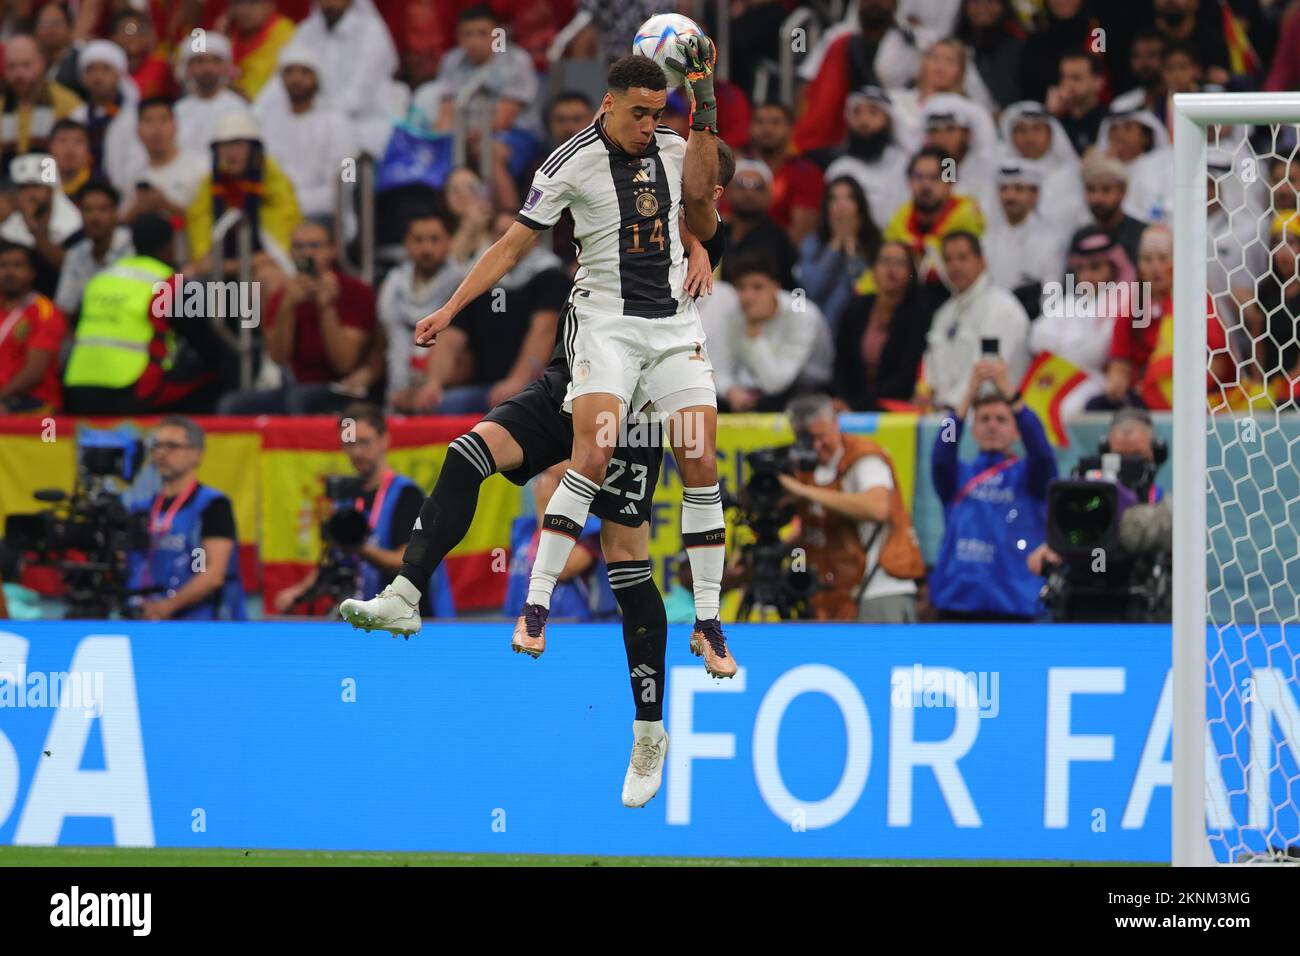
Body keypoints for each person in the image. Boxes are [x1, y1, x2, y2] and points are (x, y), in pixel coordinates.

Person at [407, 49, 735, 676]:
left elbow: (697, 203)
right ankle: (535, 606)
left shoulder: (673, 146)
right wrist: (450, 308)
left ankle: (710, 621)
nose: (649, 126)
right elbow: (510, 247)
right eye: (639, 114)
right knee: (592, 451)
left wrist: (697, 235)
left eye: (658, 114)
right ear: (608, 103)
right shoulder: (571, 162)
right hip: (606, 324)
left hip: (671, 327)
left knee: (701, 455)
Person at [273, 403, 455, 619]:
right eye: (349, 444)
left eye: (365, 442)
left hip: (408, 620)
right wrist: (299, 592)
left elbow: (408, 562)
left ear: (384, 439)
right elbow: (333, 560)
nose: (357, 452)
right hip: (365, 619)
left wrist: (360, 548)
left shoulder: (407, 495)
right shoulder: (346, 498)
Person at [63, 214, 233, 414]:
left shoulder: (101, 278)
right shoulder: (167, 283)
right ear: (169, 247)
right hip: (129, 391)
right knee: (218, 373)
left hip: (77, 389)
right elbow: (204, 341)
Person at [930, 360, 1057, 621]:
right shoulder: (957, 476)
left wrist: (1011, 394)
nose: (992, 426)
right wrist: (966, 399)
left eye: (1002, 420)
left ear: (1017, 430)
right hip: (957, 602)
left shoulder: (1030, 477)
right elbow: (942, 453)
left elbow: (1042, 452)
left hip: (1015, 605)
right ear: (973, 429)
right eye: (984, 419)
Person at [780, 393, 923, 622]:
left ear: (836, 423)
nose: (817, 446)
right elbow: (814, 529)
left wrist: (803, 491)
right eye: (807, 439)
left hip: (881, 588)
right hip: (838, 595)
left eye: (821, 436)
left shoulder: (864, 457)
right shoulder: (807, 468)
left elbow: (878, 507)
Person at [218, 219, 376, 414]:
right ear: (291, 253)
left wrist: (326, 308)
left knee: (300, 399)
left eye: (315, 246)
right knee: (232, 405)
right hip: (295, 386)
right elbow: (279, 357)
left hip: (344, 389)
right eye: (299, 247)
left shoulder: (356, 291)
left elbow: (344, 363)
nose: (307, 253)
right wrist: (287, 307)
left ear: (332, 250)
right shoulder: (284, 295)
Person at [127, 416, 246, 621]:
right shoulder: (142, 508)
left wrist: (168, 606)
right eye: (157, 445)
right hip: (149, 619)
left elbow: (213, 573)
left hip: (203, 622)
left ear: (196, 454)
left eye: (172, 446)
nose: (162, 453)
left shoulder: (213, 505)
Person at [706, 251, 833, 412]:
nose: (747, 296)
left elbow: (775, 384)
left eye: (757, 287)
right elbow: (719, 367)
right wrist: (730, 391)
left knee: (769, 403)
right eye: (741, 288)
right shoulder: (733, 313)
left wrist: (754, 335)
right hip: (756, 387)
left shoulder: (802, 314)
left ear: (775, 288)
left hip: (807, 388)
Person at [918, 231, 1031, 410]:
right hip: (945, 417)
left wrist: (951, 408)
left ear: (982, 262)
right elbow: (930, 370)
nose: (955, 266)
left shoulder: (1001, 309)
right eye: (948, 260)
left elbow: (987, 375)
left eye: (963, 258)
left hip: (991, 419)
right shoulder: (944, 313)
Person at [378, 209, 470, 414]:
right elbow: (384, 341)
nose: (426, 248)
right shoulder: (392, 285)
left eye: (434, 240)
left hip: (445, 395)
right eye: (418, 240)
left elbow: (471, 357)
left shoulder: (464, 286)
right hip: (396, 392)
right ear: (407, 243)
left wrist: (426, 390)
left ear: (449, 242)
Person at [504, 463, 617, 623]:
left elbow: (561, 570)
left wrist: (545, 512)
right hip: (519, 624)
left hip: (576, 629)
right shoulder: (523, 527)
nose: (546, 470)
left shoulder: (590, 529)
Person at [833, 240, 932, 411]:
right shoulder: (856, 307)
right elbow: (841, 365)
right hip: (849, 404)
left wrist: (858, 406)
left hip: (895, 406)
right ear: (873, 269)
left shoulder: (919, 315)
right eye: (885, 261)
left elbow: (905, 378)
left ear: (911, 272)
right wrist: (843, 401)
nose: (891, 269)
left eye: (900, 263)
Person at [881, 146, 984, 302]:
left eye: (934, 177)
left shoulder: (968, 219)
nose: (926, 185)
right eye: (919, 177)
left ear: (950, 182)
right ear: (909, 182)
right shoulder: (898, 222)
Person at [982, 157, 1070, 319]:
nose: (1010, 196)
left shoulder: (1052, 241)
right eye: (1004, 189)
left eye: (1018, 189)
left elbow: (1051, 301)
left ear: (1035, 194)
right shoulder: (987, 240)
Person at [795, 176, 879, 333]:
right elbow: (811, 289)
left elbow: (864, 292)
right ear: (827, 208)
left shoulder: (876, 245)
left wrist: (851, 249)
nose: (841, 206)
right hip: (817, 331)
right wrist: (835, 244)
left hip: (859, 332)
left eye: (848, 198)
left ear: (860, 207)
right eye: (834, 199)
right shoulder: (812, 243)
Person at [824, 86, 909, 234]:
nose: (864, 121)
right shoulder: (839, 169)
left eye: (873, 113)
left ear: (889, 121)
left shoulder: (906, 163)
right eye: (857, 113)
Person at [0, 240, 66, 413]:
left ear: (32, 273)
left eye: (18, 265)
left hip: (35, 399)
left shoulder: (45, 311)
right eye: (3, 265)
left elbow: (34, 372)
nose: (9, 272)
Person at [53, 179, 132, 321]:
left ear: (116, 212)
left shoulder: (133, 248)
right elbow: (65, 307)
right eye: (88, 210)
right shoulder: (75, 255)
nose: (95, 217)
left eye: (102, 209)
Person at [0, 34, 82, 167]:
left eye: (26, 65)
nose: (19, 74)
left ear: (41, 63)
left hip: (55, 182)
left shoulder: (68, 103)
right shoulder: (2, 106)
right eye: (11, 67)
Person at [747, 102, 822, 245]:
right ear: (750, 128)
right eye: (759, 122)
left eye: (775, 123)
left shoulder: (807, 175)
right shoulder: (737, 170)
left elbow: (801, 234)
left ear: (791, 129)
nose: (767, 129)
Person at [721, 158, 796, 289]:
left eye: (758, 187)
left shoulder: (779, 241)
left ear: (770, 196)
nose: (749, 194)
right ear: (727, 192)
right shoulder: (716, 235)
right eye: (741, 185)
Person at [1069, 153, 1147, 273]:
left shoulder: (1142, 235)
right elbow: (1070, 286)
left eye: (1106, 189)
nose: (1097, 198)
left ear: (1123, 192)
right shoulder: (1081, 236)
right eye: (1091, 189)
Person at [174, 33, 246, 156]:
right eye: (199, 61)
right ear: (187, 67)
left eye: (215, 61)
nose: (208, 68)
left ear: (226, 66)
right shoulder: (178, 111)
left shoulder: (239, 108)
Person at [228, 0, 297, 102]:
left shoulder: (287, 35)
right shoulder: (230, 34)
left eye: (253, 3)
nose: (243, 10)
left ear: (271, 5)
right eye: (237, 3)